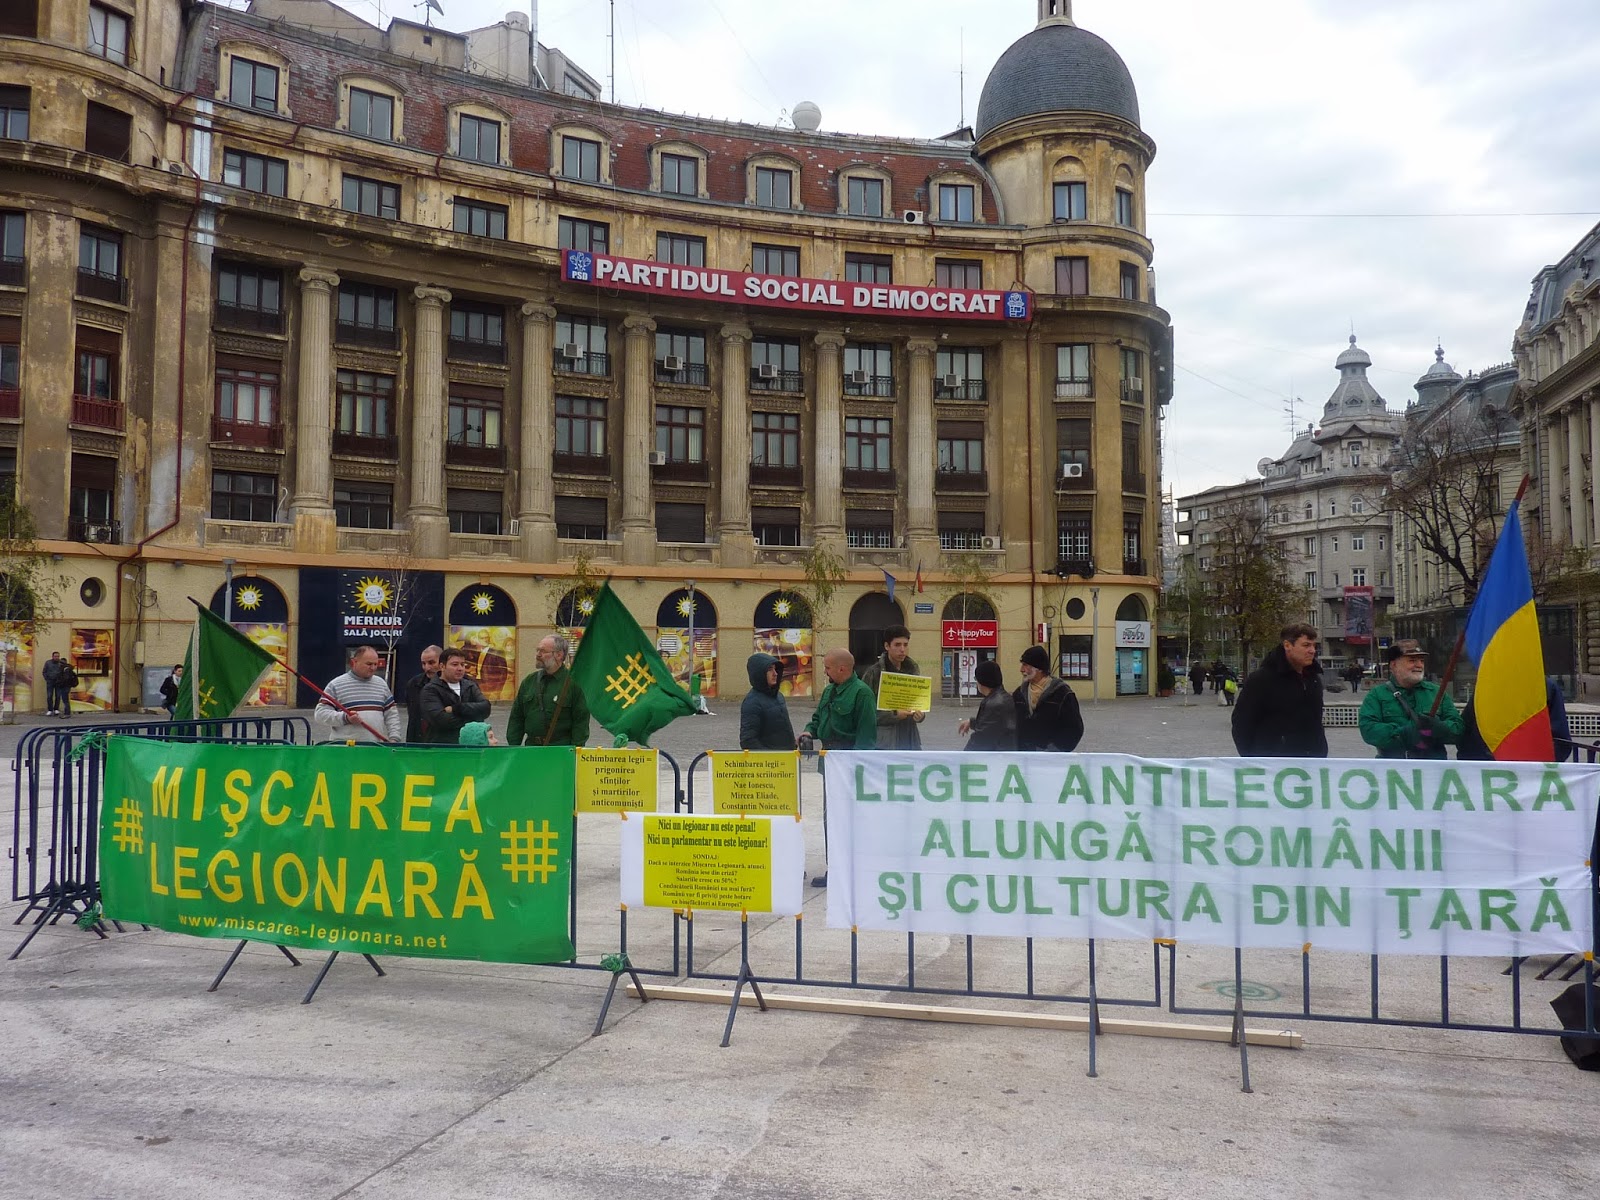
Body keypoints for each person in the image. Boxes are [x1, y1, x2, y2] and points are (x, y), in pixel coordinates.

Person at [800, 647, 877, 888]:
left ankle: (855, 868)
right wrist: (808, 731)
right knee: (830, 818)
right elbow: (817, 719)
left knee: (850, 818)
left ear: (842, 668)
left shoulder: (861, 693)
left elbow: (866, 737)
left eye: (828, 667)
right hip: (829, 760)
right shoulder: (830, 691)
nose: (825, 671)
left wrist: (857, 767)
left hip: (848, 762)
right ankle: (833, 867)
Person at [1230, 623, 1328, 758]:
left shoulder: (1313, 679)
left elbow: (1315, 722)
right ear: (1287, 645)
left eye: (1313, 645)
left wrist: (1320, 751)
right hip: (1273, 766)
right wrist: (1252, 760)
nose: (1312, 650)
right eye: (1306, 645)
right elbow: (1242, 723)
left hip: (1312, 763)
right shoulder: (1262, 679)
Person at [1358, 639, 1464, 760]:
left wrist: (1439, 727)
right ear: (1394, 665)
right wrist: (1405, 733)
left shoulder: (1436, 693)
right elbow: (1369, 730)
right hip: (1393, 769)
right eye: (1412, 661)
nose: (1419, 665)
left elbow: (1458, 729)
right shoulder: (1377, 695)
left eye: (1421, 661)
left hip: (1432, 769)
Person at [1457, 677, 1572, 763]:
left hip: (1530, 775)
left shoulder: (1546, 687)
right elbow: (1466, 734)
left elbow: (1561, 743)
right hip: (1489, 772)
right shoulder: (1486, 685)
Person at [505, 634, 591, 747]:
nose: (538, 654)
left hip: (560, 751)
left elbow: (580, 722)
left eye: (543, 651)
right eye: (537, 650)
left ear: (559, 655)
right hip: (531, 750)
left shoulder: (574, 683)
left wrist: (575, 752)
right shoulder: (529, 682)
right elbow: (516, 718)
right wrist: (513, 748)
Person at [313, 643, 404, 744]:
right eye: (369, 664)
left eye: (375, 664)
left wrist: (394, 738)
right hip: (345, 748)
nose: (373, 668)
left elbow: (391, 714)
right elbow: (320, 714)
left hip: (376, 747)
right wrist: (345, 718)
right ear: (354, 662)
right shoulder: (336, 685)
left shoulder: (381, 684)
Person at [859, 624, 924, 749]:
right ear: (887, 646)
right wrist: (893, 714)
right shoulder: (873, 673)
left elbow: (919, 702)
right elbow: (864, 712)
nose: (902, 649)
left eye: (905, 645)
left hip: (910, 739)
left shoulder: (913, 671)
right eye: (897, 645)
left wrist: (920, 715)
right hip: (886, 741)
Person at [1012, 645, 1084, 752]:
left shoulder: (1062, 694)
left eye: (1025, 665)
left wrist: (1054, 750)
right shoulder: (1019, 694)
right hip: (1024, 758)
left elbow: (1075, 729)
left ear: (1039, 668)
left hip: (1052, 760)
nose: (1021, 670)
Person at [419, 647, 492, 744]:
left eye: (462, 665)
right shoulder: (430, 690)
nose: (460, 668)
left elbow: (486, 708)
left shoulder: (470, 685)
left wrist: (457, 708)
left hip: (470, 745)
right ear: (442, 666)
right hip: (443, 746)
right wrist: (474, 719)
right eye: (455, 664)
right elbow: (441, 720)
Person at [739, 652, 795, 750]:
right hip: (771, 762)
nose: (775, 673)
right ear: (759, 673)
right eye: (770, 670)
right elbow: (748, 740)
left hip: (787, 759)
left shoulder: (778, 696)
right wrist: (771, 758)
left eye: (775, 669)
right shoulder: (752, 702)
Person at [960, 659, 1016, 751]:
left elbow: (981, 738)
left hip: (998, 757)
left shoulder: (995, 704)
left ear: (982, 681)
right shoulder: (1002, 697)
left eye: (976, 679)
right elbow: (994, 726)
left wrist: (962, 759)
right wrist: (973, 722)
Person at [403, 644, 442, 742]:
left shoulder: (460, 684)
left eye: (431, 663)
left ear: (442, 662)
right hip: (417, 741)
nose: (427, 668)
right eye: (423, 663)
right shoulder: (413, 684)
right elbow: (412, 716)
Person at [41, 651, 68, 717]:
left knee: (58, 696)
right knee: (49, 696)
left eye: (58, 656)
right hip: (50, 682)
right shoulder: (48, 663)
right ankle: (50, 710)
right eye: (55, 656)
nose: (57, 657)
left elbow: (64, 672)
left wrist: (61, 679)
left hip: (58, 682)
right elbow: (44, 671)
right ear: (52, 656)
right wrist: (47, 679)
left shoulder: (61, 663)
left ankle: (56, 709)